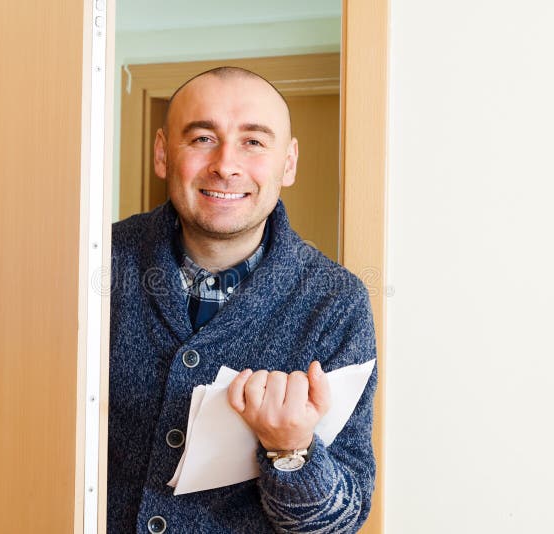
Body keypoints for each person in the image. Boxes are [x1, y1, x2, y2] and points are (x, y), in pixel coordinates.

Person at [108, 66, 378, 533]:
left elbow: (339, 524)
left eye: (253, 142)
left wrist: (291, 448)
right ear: (161, 154)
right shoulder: (94, 263)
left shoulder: (337, 302)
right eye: (202, 139)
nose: (226, 165)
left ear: (288, 163)